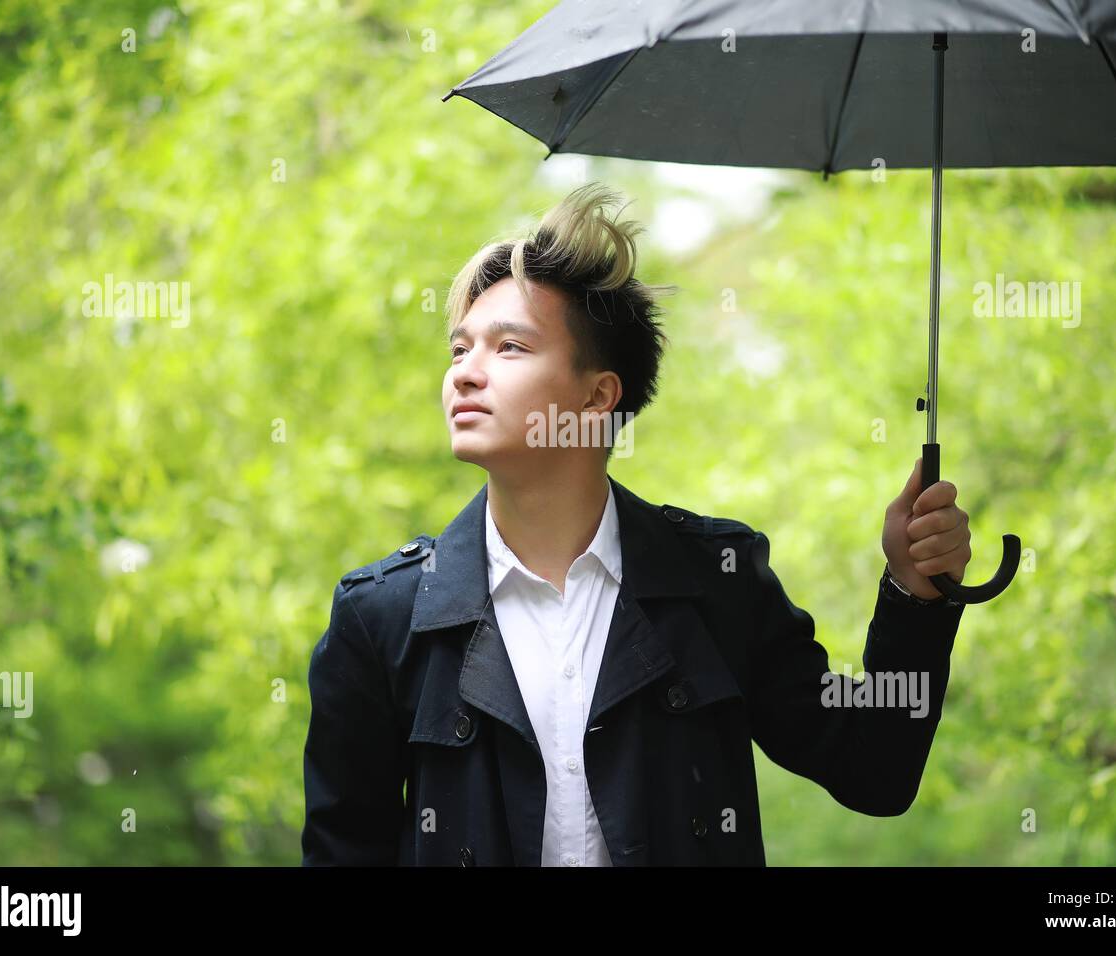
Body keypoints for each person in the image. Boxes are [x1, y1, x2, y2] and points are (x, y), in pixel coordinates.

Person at [301, 183, 972, 866]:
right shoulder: (383, 617)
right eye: (458, 350)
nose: (465, 375)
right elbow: (342, 852)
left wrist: (915, 595)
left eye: (509, 348)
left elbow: (874, 772)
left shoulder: (716, 583)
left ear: (597, 396)